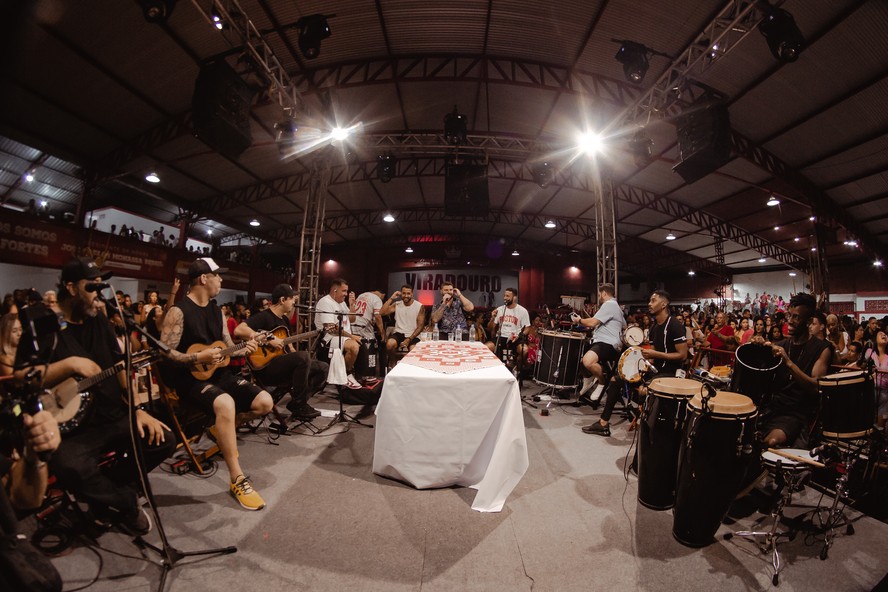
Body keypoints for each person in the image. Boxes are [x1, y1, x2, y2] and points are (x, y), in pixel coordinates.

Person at [15, 257, 175, 533]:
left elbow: (120, 367)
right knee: (69, 466)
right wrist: (69, 365)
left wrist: (136, 410)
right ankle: (124, 502)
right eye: (91, 287)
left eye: (101, 287)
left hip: (111, 415)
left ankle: (107, 495)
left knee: (163, 438)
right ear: (72, 288)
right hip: (73, 428)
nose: (98, 294)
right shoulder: (45, 324)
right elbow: (21, 377)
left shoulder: (100, 321)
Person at [159, 258, 270, 511]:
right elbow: (163, 354)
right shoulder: (178, 311)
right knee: (226, 403)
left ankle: (219, 431)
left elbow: (228, 347)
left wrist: (247, 348)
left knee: (265, 402)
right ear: (203, 279)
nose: (221, 280)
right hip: (188, 379)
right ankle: (237, 478)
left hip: (217, 375)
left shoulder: (217, 311)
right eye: (217, 275)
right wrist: (198, 357)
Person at [584, 290, 688, 436]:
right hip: (655, 371)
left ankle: (652, 430)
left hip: (670, 374)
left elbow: (683, 355)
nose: (649, 304)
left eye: (653, 301)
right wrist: (638, 357)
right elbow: (652, 356)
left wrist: (655, 354)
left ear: (664, 304)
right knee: (615, 380)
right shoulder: (654, 328)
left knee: (644, 389)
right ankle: (603, 424)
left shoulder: (674, 325)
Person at [750, 293, 832, 448]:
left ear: (808, 322)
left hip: (797, 413)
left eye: (796, 317)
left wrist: (788, 362)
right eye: (790, 315)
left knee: (771, 442)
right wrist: (758, 348)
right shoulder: (782, 344)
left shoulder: (822, 349)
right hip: (772, 408)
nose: (790, 321)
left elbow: (815, 387)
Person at [235, 284, 324, 421]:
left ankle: (297, 402)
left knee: (323, 368)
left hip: (282, 364)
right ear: (283, 300)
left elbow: (289, 347)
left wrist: (298, 355)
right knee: (303, 357)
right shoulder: (264, 316)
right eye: (292, 299)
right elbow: (239, 330)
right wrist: (269, 339)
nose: (294, 302)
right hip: (266, 368)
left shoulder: (285, 320)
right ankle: (300, 406)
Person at [572, 283, 625, 396]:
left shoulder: (609, 305)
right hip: (603, 341)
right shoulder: (617, 308)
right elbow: (623, 325)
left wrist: (579, 320)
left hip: (608, 343)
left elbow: (592, 322)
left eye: (600, 294)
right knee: (580, 359)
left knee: (587, 361)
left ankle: (601, 382)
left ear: (604, 293)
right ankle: (587, 380)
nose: (599, 297)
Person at [314, 278, 361, 385]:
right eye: (343, 291)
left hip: (344, 336)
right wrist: (352, 336)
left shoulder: (342, 303)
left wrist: (352, 305)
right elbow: (332, 328)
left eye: (347, 291)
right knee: (354, 346)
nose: (346, 294)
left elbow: (352, 319)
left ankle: (348, 374)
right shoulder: (325, 302)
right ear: (335, 290)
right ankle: (345, 375)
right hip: (330, 337)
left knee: (361, 342)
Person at [485, 287, 530, 372]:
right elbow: (490, 328)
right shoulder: (500, 309)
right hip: (501, 337)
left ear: (514, 297)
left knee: (524, 350)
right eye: (504, 295)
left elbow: (527, 328)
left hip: (515, 338)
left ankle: (517, 369)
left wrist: (521, 335)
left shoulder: (522, 311)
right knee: (486, 348)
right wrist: (492, 318)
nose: (505, 298)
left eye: (508, 296)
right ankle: (492, 371)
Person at [380, 285, 425, 363]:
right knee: (389, 344)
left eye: (408, 293)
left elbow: (420, 327)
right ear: (401, 294)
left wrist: (409, 339)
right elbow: (382, 312)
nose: (406, 296)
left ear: (412, 294)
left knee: (413, 349)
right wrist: (391, 298)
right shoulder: (397, 304)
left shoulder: (419, 306)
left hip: (413, 335)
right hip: (399, 333)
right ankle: (393, 363)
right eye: (404, 293)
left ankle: (410, 369)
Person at [863, 329, 887, 428]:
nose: (884, 334)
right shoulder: (870, 352)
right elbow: (861, 365)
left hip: (885, 396)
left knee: (879, 427)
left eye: (885, 334)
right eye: (880, 334)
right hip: (870, 391)